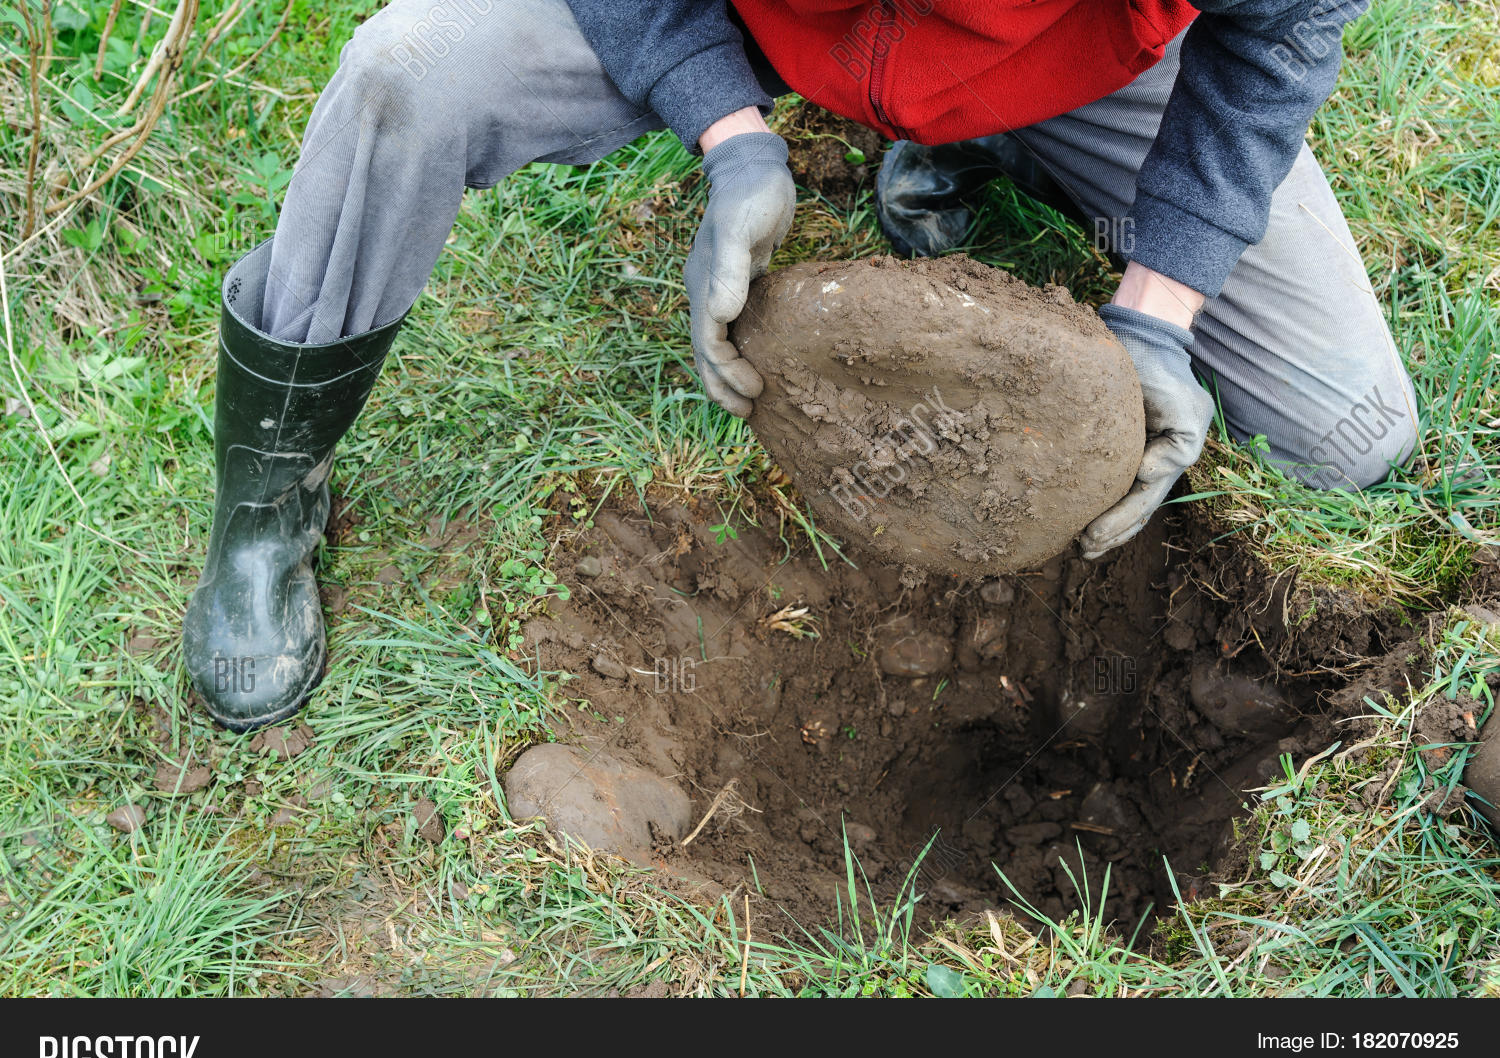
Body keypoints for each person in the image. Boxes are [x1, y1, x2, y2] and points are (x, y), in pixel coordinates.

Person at [182, 0, 1419, 730]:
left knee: (1353, 427)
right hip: (762, 18)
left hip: (1073, 53)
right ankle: (267, 493)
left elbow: (1278, 35)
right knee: (413, 73)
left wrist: (1161, 307)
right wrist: (723, 128)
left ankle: (991, 142)